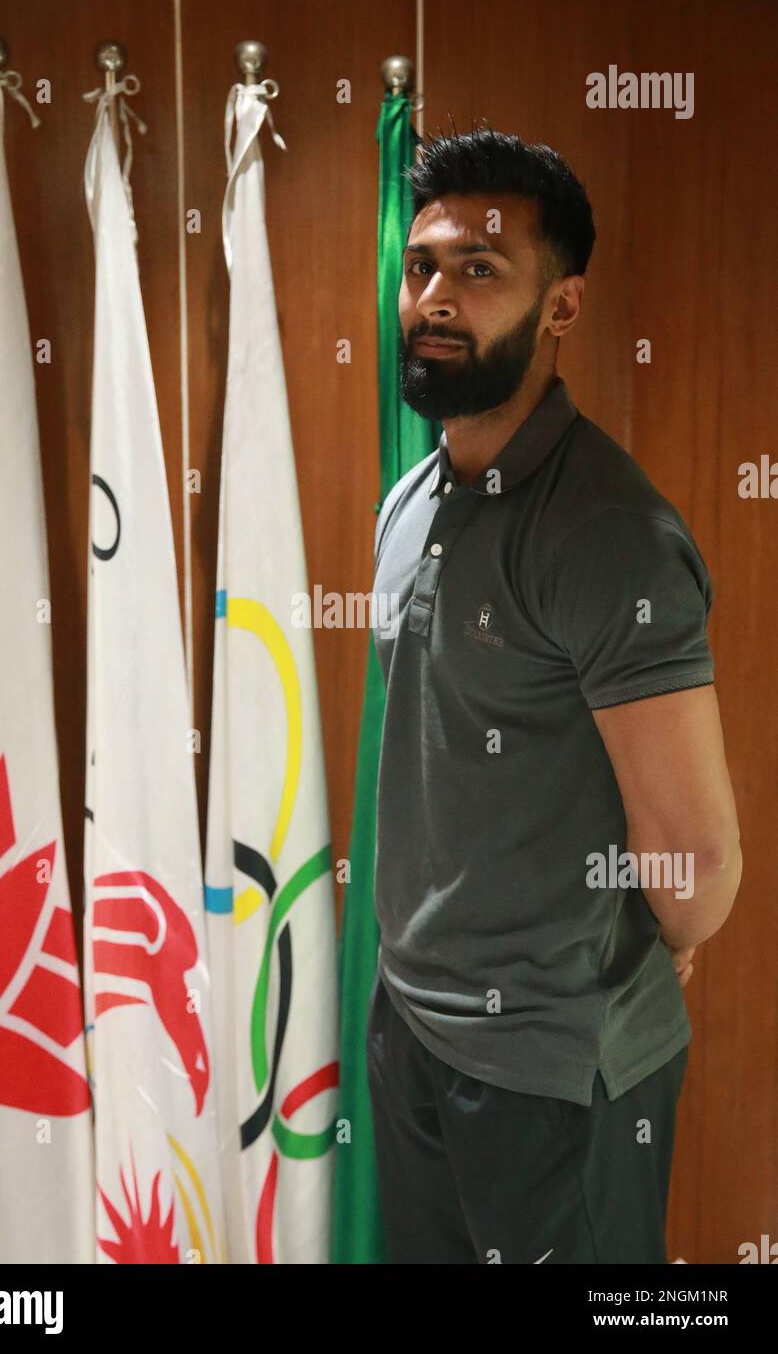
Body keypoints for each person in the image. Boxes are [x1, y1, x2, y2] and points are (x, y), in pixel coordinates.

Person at [367, 127, 742, 1264]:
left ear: (562, 306)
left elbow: (694, 866)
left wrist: (646, 942)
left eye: (478, 270)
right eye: (421, 264)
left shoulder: (607, 539)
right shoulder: (409, 497)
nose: (435, 296)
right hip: (413, 1033)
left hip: (553, 1074)